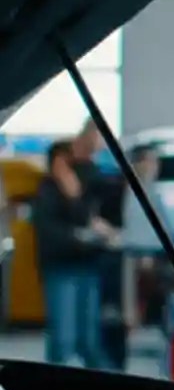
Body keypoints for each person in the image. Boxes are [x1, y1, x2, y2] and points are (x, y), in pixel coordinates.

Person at [32, 140, 113, 368]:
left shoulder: (80, 188)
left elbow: (87, 218)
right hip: (61, 268)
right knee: (63, 337)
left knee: (89, 337)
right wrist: (76, 238)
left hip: (86, 265)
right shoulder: (45, 190)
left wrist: (74, 196)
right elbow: (48, 231)